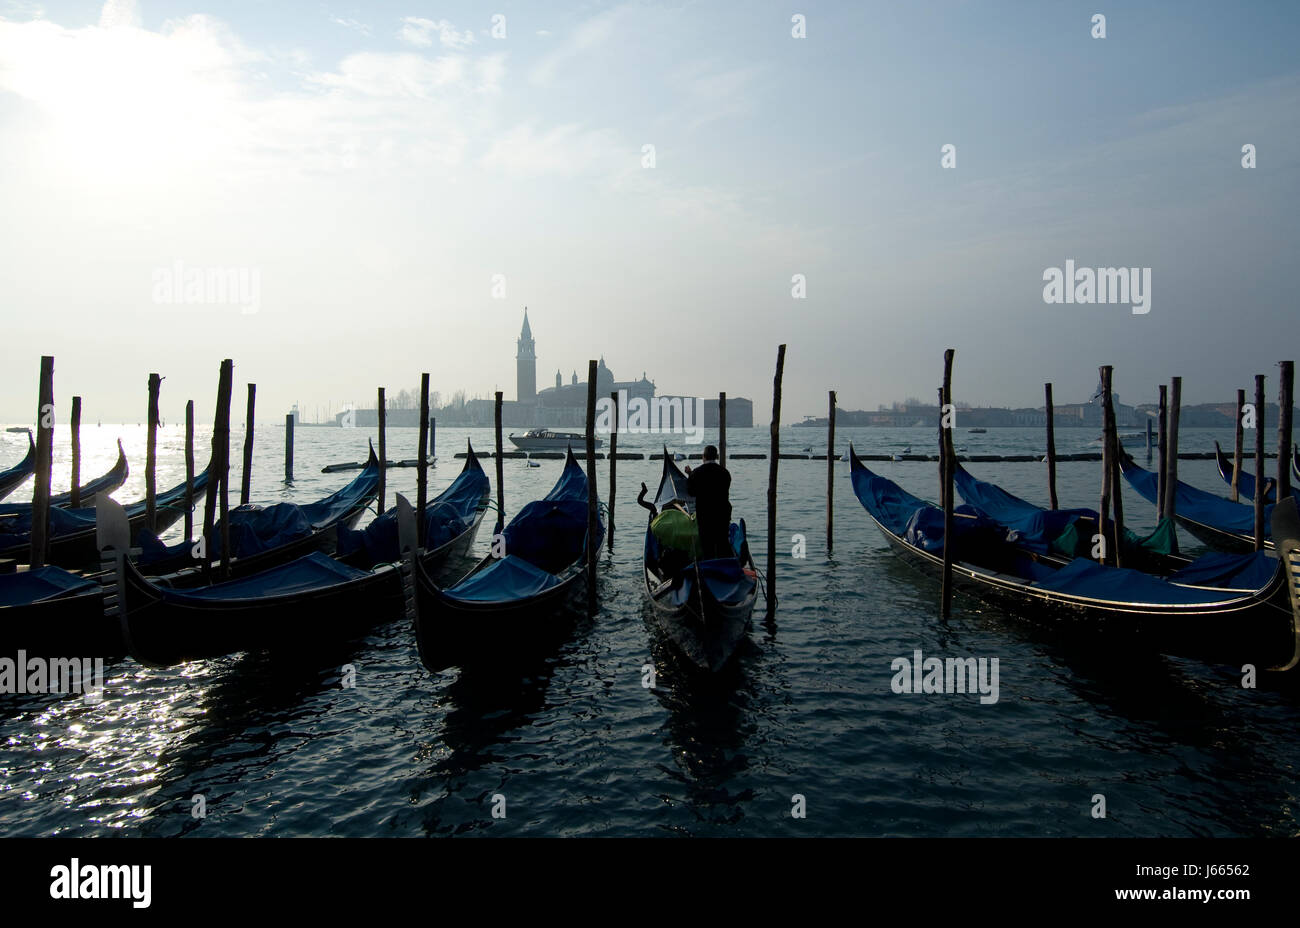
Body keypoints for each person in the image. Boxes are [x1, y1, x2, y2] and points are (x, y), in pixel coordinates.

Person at [685, 445, 732, 559]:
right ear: (716, 456)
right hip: (722, 514)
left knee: (707, 546)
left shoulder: (697, 473)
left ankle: (710, 570)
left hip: (705, 515)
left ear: (703, 457)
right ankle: (724, 569)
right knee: (722, 544)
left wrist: (690, 475)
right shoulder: (725, 472)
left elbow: (691, 492)